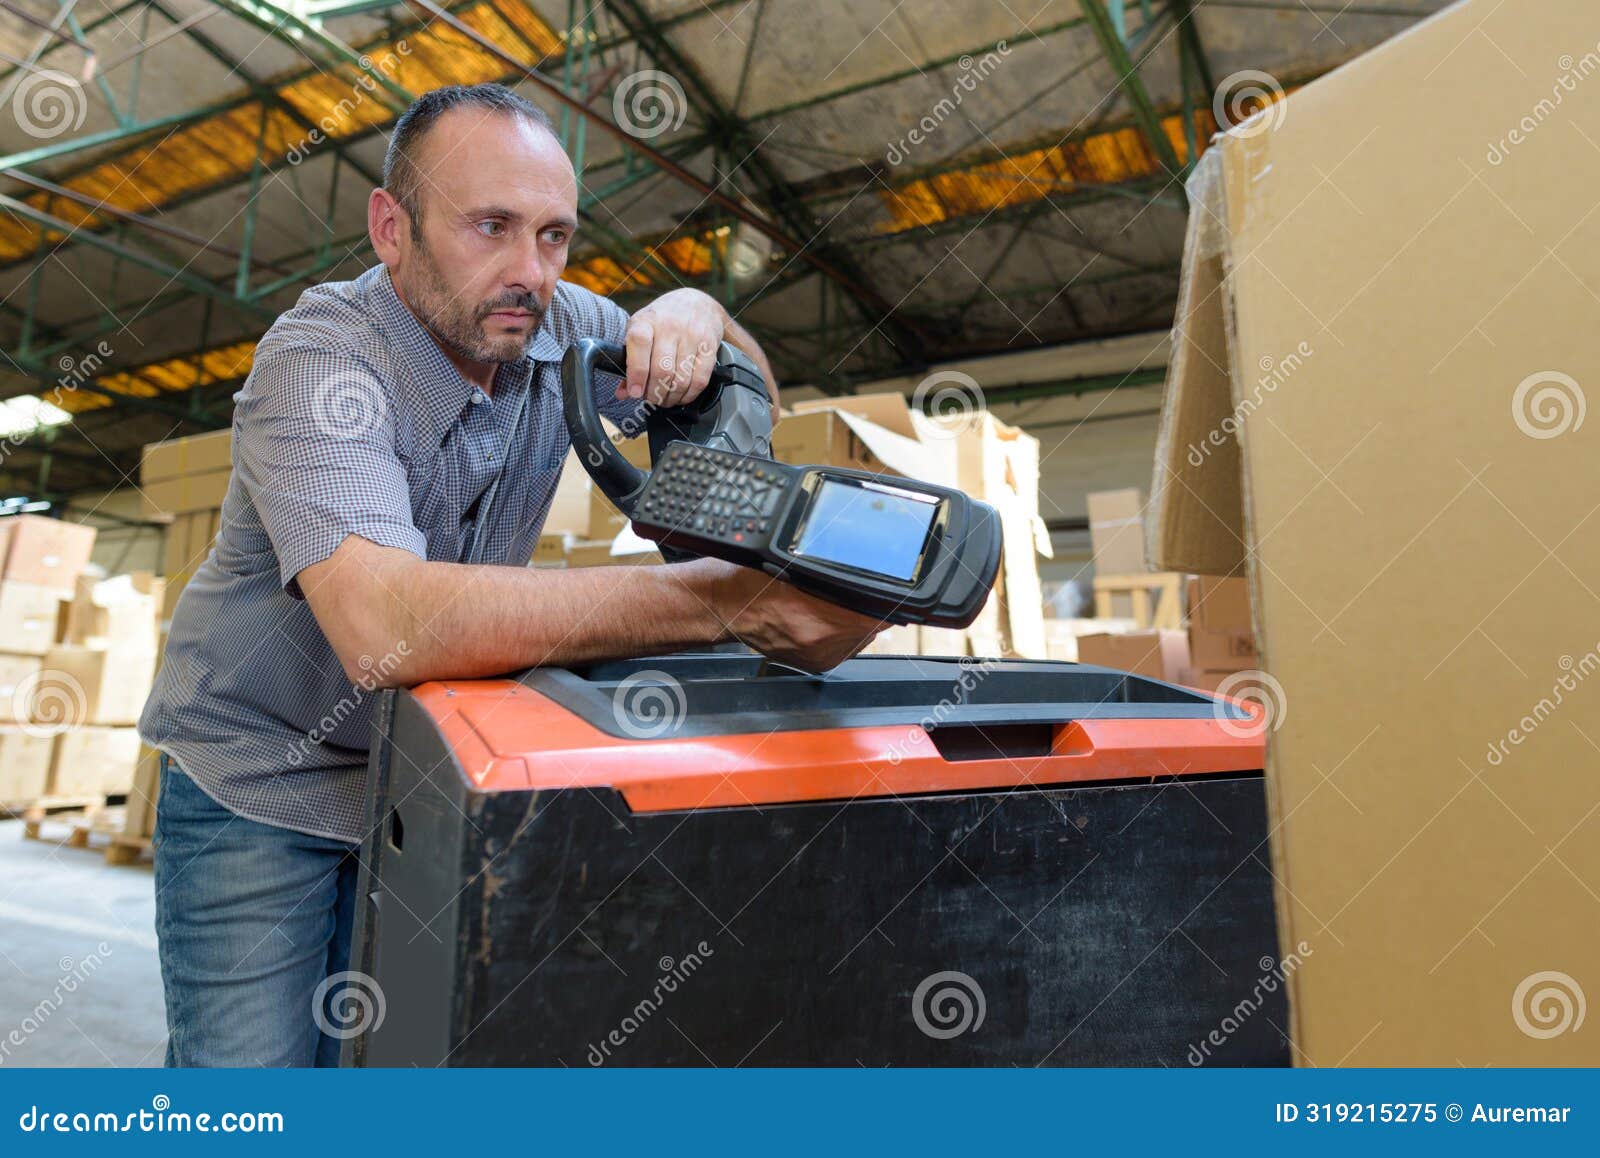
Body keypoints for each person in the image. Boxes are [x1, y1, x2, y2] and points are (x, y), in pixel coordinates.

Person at [138, 83, 883, 1067]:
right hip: (259, 778)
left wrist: (704, 317)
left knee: (394, 1066)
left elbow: (747, 393)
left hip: (418, 773)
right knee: (250, 1090)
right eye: (490, 226)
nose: (528, 272)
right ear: (391, 228)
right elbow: (382, 627)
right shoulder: (322, 362)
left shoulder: (552, 323)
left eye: (554, 236)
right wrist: (719, 603)